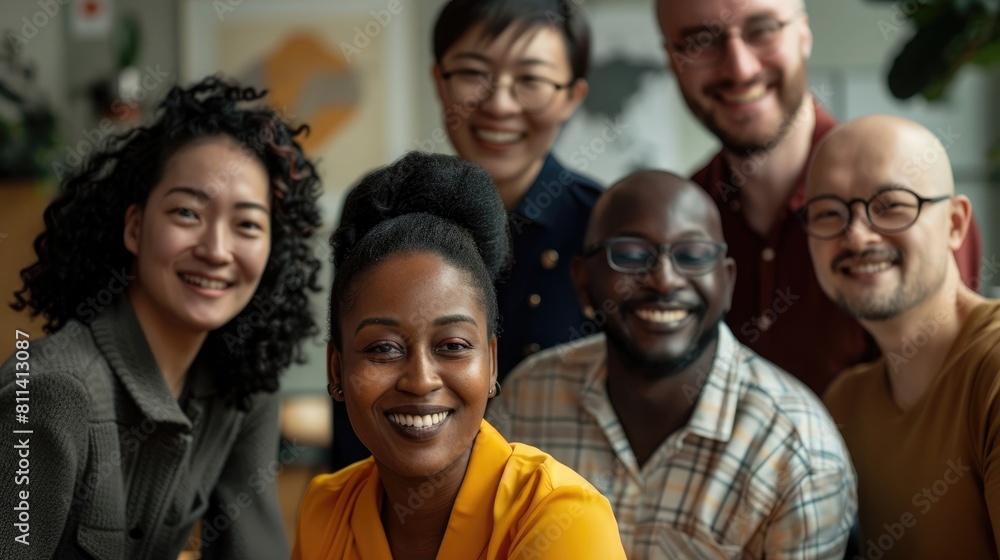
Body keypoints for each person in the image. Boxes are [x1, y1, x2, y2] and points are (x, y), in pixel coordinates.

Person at [0, 76, 323, 559]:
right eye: (187, 213)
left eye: (247, 224)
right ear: (134, 228)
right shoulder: (50, 391)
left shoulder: (244, 386)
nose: (216, 250)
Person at [489, 170, 857, 559]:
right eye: (631, 254)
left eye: (692, 255)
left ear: (727, 282)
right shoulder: (527, 399)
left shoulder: (798, 454)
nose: (664, 281)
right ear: (583, 284)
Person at [293, 152, 626, 560]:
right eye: (384, 348)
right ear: (336, 368)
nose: (420, 381)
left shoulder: (559, 518)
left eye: (452, 346)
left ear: (492, 362)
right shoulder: (326, 509)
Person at [654, 0, 983, 395]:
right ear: (671, 59)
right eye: (701, 41)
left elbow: (952, 397)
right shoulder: (672, 223)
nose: (740, 68)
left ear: (804, 34)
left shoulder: (914, 206)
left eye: (762, 30)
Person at [331, 0, 600, 470]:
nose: (499, 104)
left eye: (531, 79)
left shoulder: (602, 224)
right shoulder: (384, 207)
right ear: (439, 80)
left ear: (573, 96)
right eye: (474, 73)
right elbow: (354, 386)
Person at [810, 115, 999, 559]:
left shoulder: (991, 370)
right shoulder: (844, 404)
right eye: (829, 213)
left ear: (955, 224)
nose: (856, 236)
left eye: (891, 205)